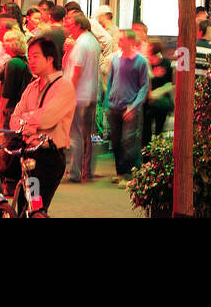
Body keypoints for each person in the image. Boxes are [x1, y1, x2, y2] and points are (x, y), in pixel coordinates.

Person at [9, 36, 77, 212]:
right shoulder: (32, 87)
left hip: (48, 157)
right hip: (28, 155)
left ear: (50, 59)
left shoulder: (63, 86)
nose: (31, 61)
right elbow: (13, 120)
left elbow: (47, 119)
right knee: (26, 207)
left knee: (36, 208)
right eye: (29, 57)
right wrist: (32, 122)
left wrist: (28, 120)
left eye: (36, 56)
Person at [105, 30, 150, 183]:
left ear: (131, 42)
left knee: (129, 141)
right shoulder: (115, 59)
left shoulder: (141, 62)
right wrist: (108, 102)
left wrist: (134, 106)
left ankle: (130, 175)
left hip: (131, 107)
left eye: (122, 39)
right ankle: (120, 173)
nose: (119, 41)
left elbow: (144, 86)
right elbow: (111, 80)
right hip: (114, 106)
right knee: (117, 141)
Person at [63, 12, 101, 182]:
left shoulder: (81, 44)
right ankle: (87, 171)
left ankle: (75, 172)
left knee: (75, 134)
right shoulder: (92, 41)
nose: (68, 27)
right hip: (91, 93)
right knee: (87, 134)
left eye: (70, 24)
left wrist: (68, 94)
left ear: (79, 25)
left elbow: (76, 72)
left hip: (79, 94)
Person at [143, 41, 174, 147]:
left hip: (161, 102)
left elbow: (170, 82)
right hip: (148, 102)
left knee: (159, 131)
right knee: (146, 131)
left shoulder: (165, 63)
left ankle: (156, 153)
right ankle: (147, 156)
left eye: (149, 47)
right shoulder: (145, 63)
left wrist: (158, 92)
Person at [0, 29, 31, 123]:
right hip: (19, 107)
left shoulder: (12, 62)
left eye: (6, 41)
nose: (3, 44)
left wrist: (0, 111)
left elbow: (7, 90)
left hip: (10, 108)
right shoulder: (23, 61)